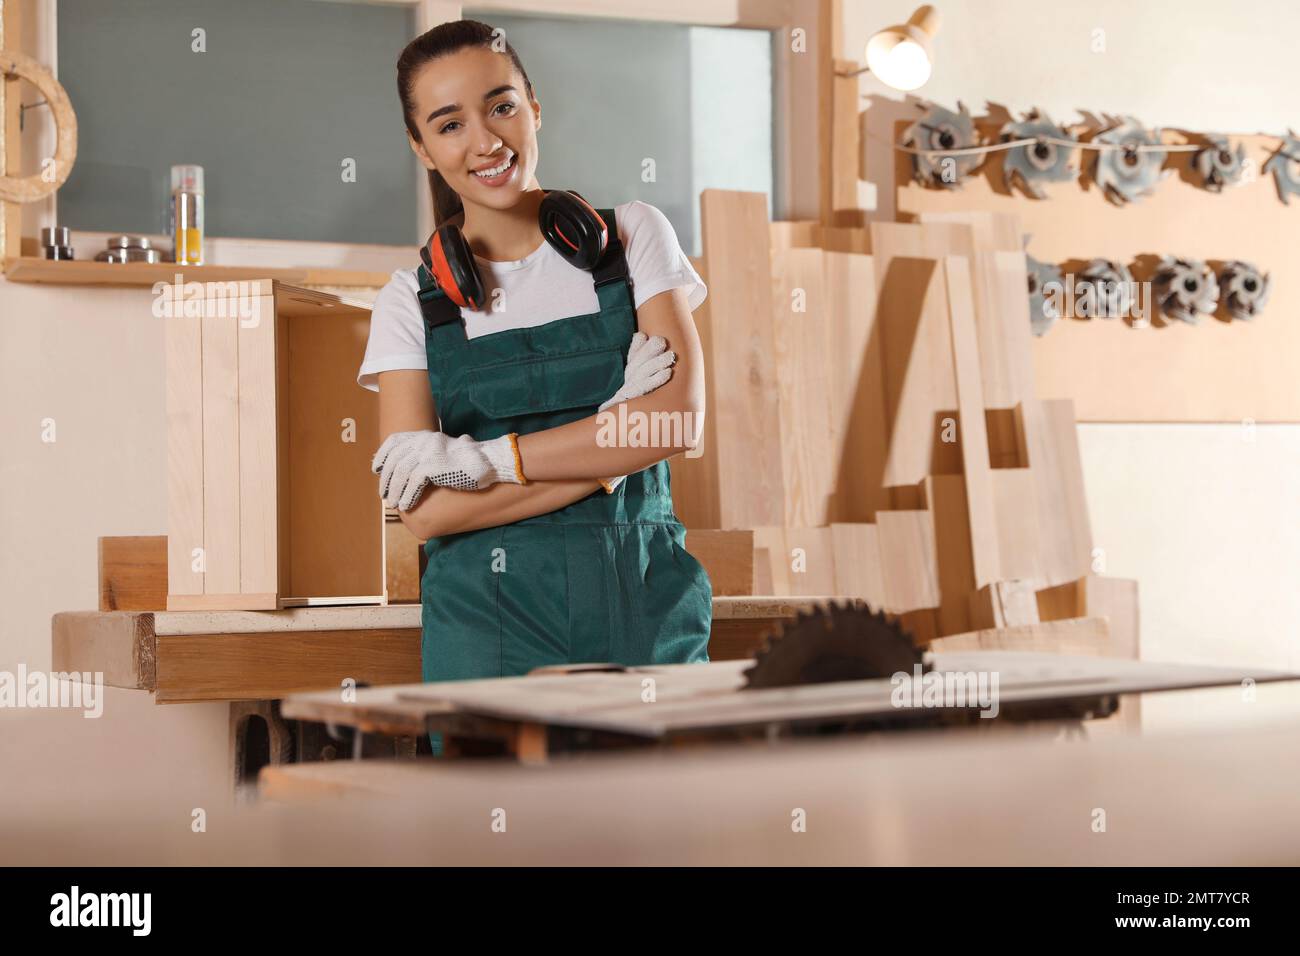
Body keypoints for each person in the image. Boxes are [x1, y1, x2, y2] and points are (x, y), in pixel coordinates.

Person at [357, 19, 713, 755]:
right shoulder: (410, 302)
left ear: (535, 107)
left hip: (641, 606)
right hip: (487, 634)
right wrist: (610, 448)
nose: (485, 141)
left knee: (664, 836)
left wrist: (490, 461)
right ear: (421, 148)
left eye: (502, 106)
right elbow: (426, 513)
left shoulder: (631, 240)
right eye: (449, 124)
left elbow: (675, 425)